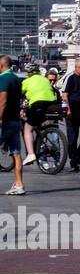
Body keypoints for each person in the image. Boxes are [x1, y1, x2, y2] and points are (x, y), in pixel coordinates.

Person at [20, 63, 58, 165]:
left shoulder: (26, 81)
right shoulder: (44, 80)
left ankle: (31, 154)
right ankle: (42, 140)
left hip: (38, 104)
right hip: (52, 104)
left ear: (28, 73)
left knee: (27, 129)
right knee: (39, 123)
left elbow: (19, 95)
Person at [0, 56, 25, 194]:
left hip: (6, 121)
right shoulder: (16, 79)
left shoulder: (3, 79)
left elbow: (2, 101)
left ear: (1, 65)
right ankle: (19, 185)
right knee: (16, 153)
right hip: (16, 120)